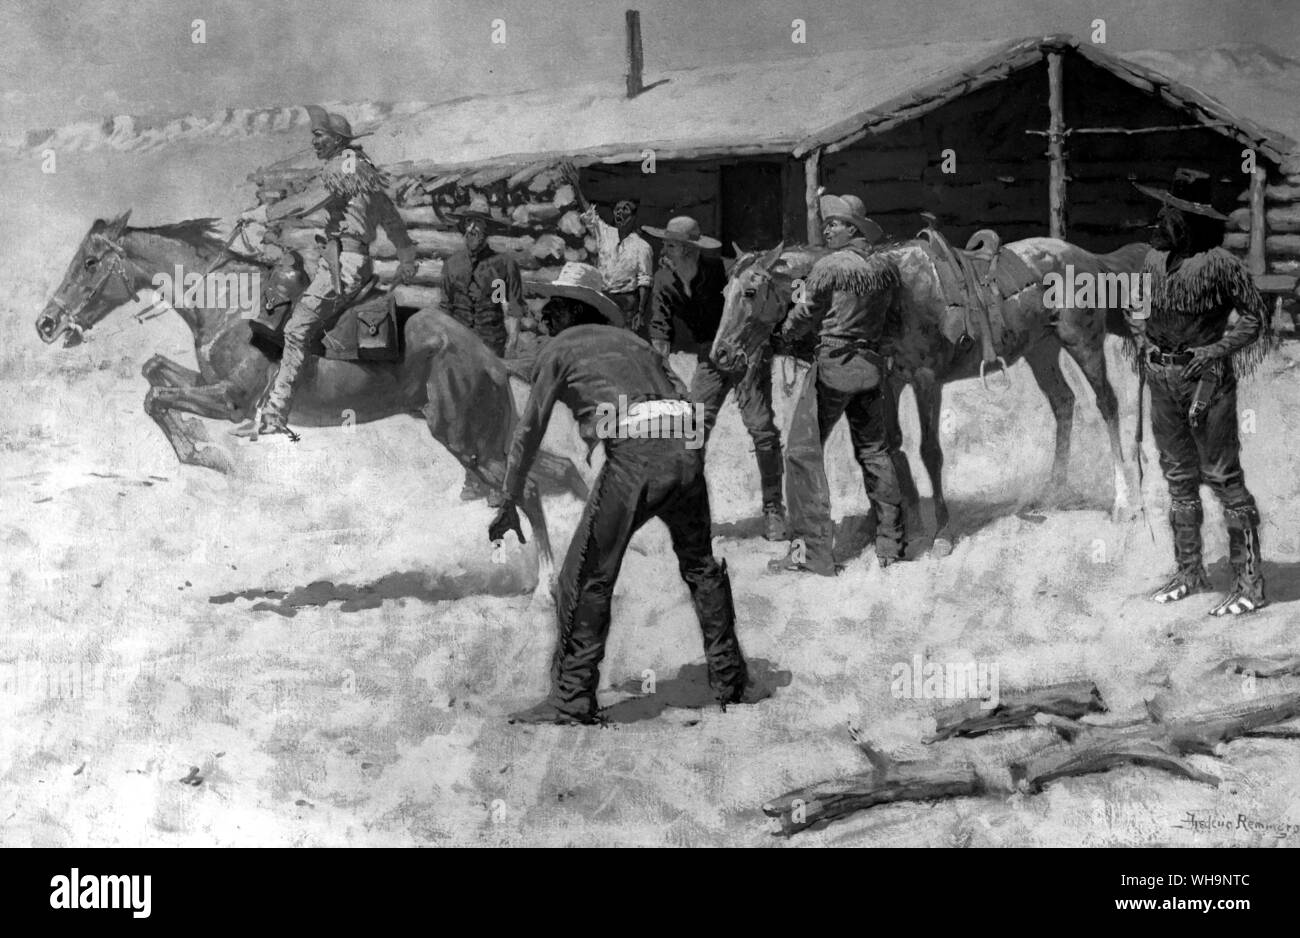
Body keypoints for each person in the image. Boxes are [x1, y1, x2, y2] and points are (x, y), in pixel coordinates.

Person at [488, 293, 751, 725]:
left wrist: (509, 498)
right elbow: (683, 395)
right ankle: (731, 679)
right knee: (701, 565)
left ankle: (571, 699)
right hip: (684, 445)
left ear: (576, 312)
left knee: (583, 577)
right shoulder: (638, 343)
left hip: (637, 458)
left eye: (555, 308)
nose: (546, 316)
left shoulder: (561, 346)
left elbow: (530, 427)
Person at [1129, 168, 1273, 615]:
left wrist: (1215, 350)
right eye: (1163, 208)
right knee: (1178, 477)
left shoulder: (1221, 264)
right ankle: (1190, 571)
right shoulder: (1153, 261)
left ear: (1190, 218)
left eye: (1170, 212)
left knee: (1223, 477)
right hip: (1161, 377)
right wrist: (1142, 340)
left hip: (1205, 382)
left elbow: (1254, 318)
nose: (1161, 218)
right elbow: (1141, 310)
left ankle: (1249, 584)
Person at [234, 105, 417, 439]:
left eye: (318, 136)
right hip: (345, 259)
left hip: (342, 264)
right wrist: (406, 255)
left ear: (336, 139)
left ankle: (276, 411)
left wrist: (262, 213)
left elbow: (309, 202)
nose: (314, 142)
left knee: (296, 327)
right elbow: (390, 217)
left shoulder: (343, 166)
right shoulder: (362, 169)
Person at [770, 194, 908, 575]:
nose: (827, 229)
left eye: (834, 223)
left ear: (853, 229)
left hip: (833, 365)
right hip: (871, 368)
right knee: (876, 453)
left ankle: (810, 554)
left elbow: (806, 314)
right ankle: (891, 544)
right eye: (828, 223)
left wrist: (785, 330)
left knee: (801, 453)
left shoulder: (830, 266)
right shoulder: (884, 267)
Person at [645, 215, 788, 541]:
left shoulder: (725, 271)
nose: (663, 249)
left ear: (689, 249)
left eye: (670, 244)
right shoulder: (664, 280)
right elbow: (660, 333)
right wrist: (660, 376)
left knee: (760, 426)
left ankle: (773, 508)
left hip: (747, 353)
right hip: (710, 358)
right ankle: (691, 511)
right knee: (693, 429)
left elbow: (758, 299)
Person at [441, 194, 526, 503]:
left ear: (487, 229)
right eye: (468, 223)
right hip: (458, 351)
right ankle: (474, 479)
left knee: (493, 415)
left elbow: (513, 308)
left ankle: (498, 485)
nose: (472, 228)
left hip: (491, 347)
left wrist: (512, 341)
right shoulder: (452, 265)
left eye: (478, 223)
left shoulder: (503, 265)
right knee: (462, 415)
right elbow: (446, 310)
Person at [560, 162, 653, 335]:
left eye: (625, 209)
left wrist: (640, 311)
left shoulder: (642, 246)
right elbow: (589, 214)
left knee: (624, 337)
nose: (619, 212)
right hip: (604, 296)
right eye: (617, 209)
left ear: (633, 216)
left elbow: (644, 281)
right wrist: (576, 185)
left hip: (627, 300)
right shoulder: (606, 233)